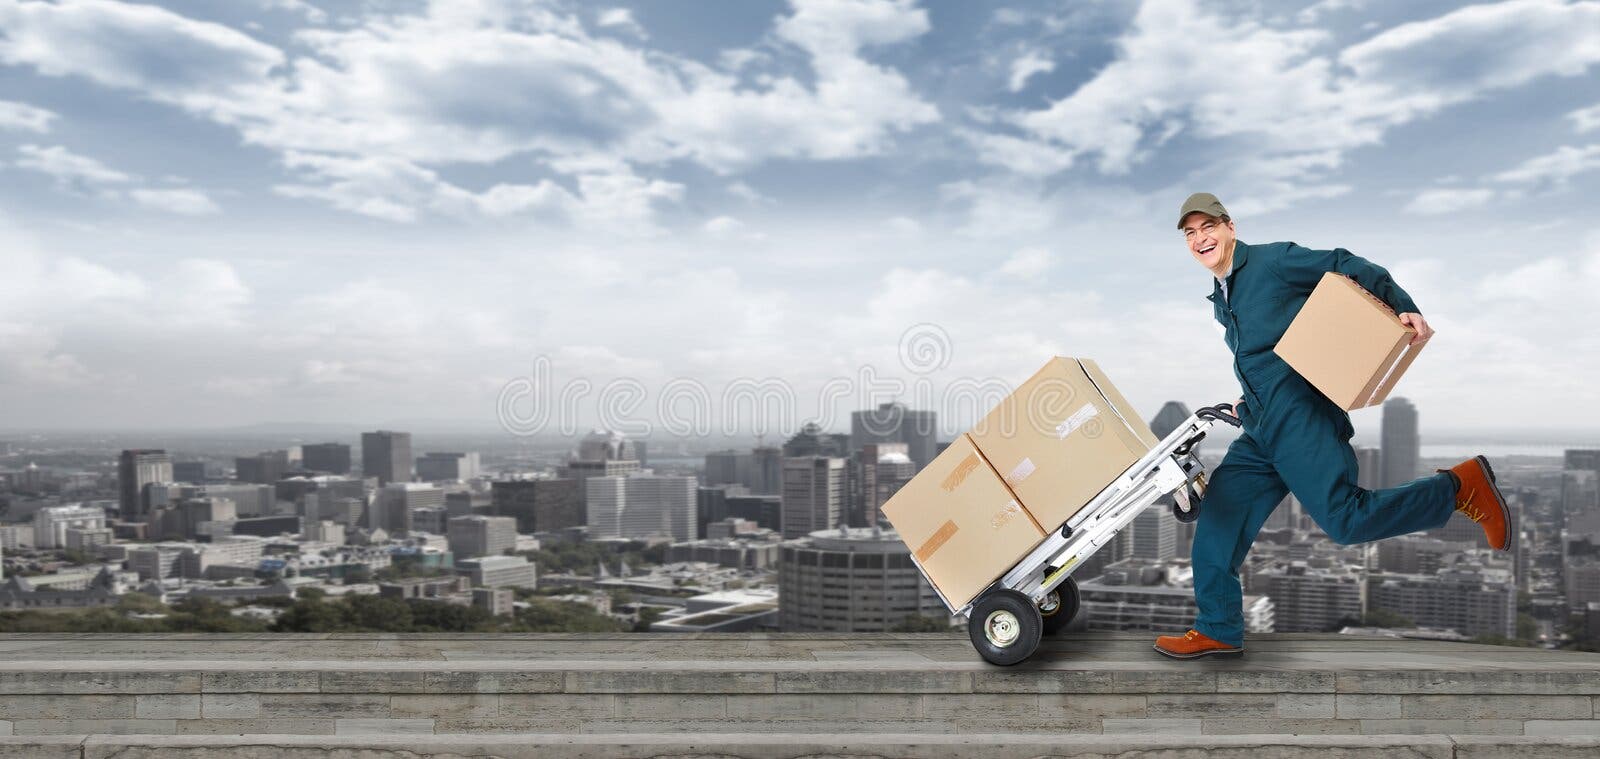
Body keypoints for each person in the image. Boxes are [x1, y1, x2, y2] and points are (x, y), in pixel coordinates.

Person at [1154, 192, 1513, 659]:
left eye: (1208, 227)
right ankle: (1219, 629)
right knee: (1218, 523)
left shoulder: (1273, 261)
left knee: (1346, 521)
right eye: (1191, 233)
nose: (1201, 238)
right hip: (1261, 427)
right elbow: (1264, 353)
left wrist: (1401, 304)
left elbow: (1342, 262)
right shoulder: (1222, 295)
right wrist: (1250, 398)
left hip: (1303, 417)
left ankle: (1458, 488)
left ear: (1230, 227)